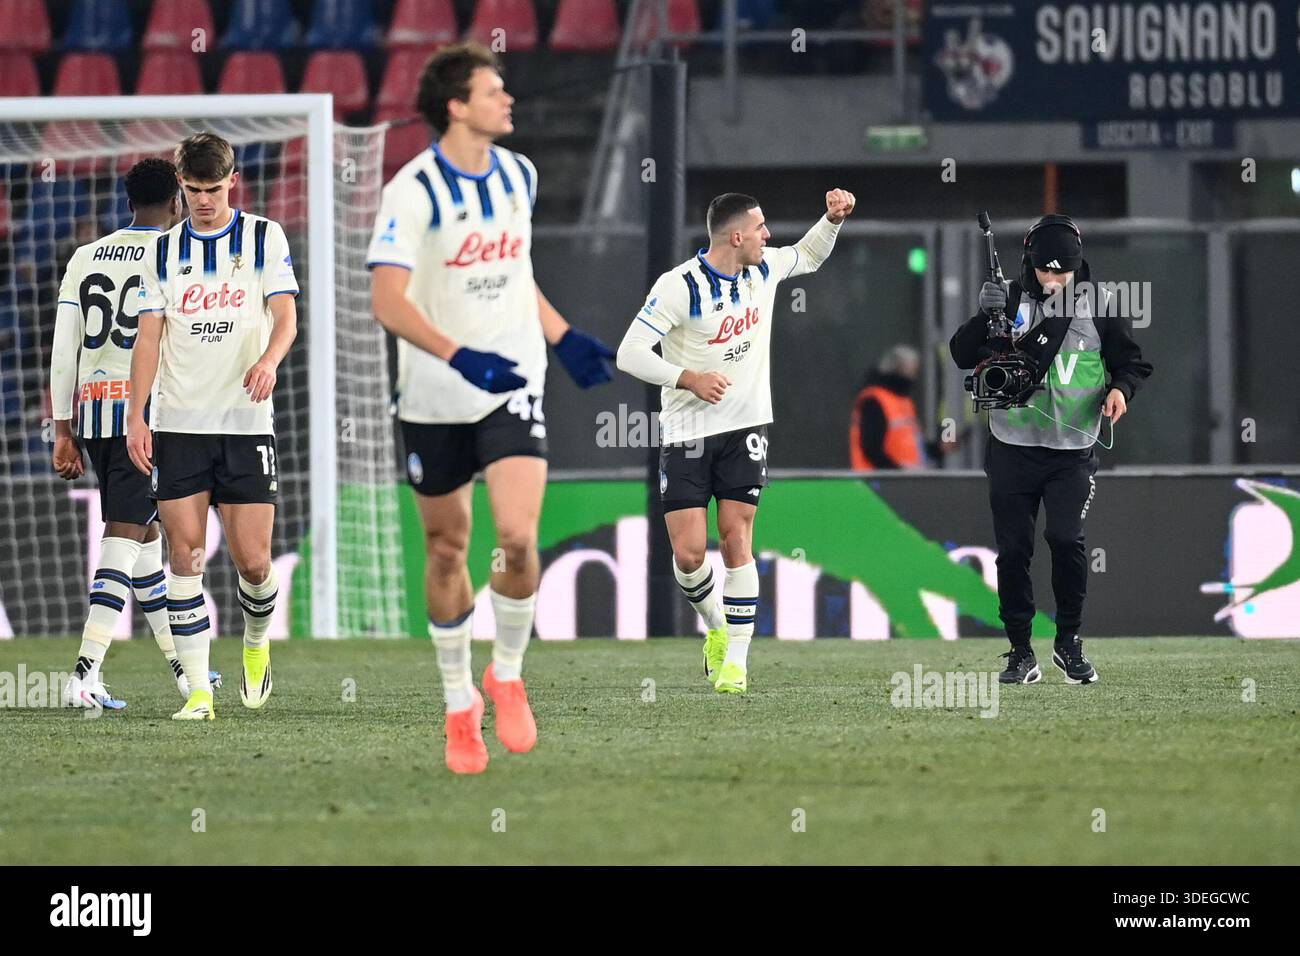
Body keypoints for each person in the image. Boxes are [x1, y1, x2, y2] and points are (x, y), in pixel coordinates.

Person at [367, 43, 615, 774]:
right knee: (447, 546)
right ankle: (457, 704)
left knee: (515, 535)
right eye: (493, 90)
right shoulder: (411, 191)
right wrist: (455, 354)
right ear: (456, 106)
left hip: (512, 382)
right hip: (436, 394)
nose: (508, 100)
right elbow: (387, 298)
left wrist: (562, 335)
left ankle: (505, 672)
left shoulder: (520, 174)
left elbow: (515, 275)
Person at [616, 188, 856, 694]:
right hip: (687, 432)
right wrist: (688, 378)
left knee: (735, 537)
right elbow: (630, 353)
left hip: (746, 425)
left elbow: (808, 255)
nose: (769, 236)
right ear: (736, 235)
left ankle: (737, 665)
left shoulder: (764, 267)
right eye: (761, 227)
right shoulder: (678, 286)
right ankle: (717, 629)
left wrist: (831, 219)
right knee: (686, 554)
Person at [127, 133, 299, 720]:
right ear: (181, 184)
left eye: (213, 188)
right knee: (187, 557)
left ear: (233, 182)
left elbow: (286, 317)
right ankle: (200, 691)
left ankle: (256, 643)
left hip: (246, 423)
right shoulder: (160, 252)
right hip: (179, 424)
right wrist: (136, 412)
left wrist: (269, 360)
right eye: (193, 189)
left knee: (253, 563)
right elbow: (149, 335)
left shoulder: (262, 237)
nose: (203, 199)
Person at [949, 214, 1152, 685]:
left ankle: (1068, 642)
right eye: (1046, 270)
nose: (1055, 279)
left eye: (1064, 271)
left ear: (1079, 265)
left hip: (1072, 448)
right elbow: (961, 355)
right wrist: (984, 316)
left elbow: (1131, 361)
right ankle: (1020, 651)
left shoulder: (1099, 303)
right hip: (1012, 446)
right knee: (1013, 550)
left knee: (1065, 539)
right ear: (1029, 264)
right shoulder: (1008, 300)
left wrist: (1120, 389)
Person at [50, 157, 222, 710]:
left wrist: (61, 428)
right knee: (126, 534)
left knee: (146, 541)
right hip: (143, 419)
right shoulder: (177, 254)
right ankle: (84, 672)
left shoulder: (85, 256)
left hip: (94, 414)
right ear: (177, 202)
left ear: (128, 204)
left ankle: (187, 674)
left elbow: (62, 349)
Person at [849, 344, 926, 470]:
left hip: (901, 482)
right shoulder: (874, 401)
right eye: (911, 371)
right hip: (877, 483)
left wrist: (938, 449)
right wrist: (898, 471)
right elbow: (871, 448)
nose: (913, 378)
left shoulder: (903, 402)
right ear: (898, 370)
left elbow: (910, 444)